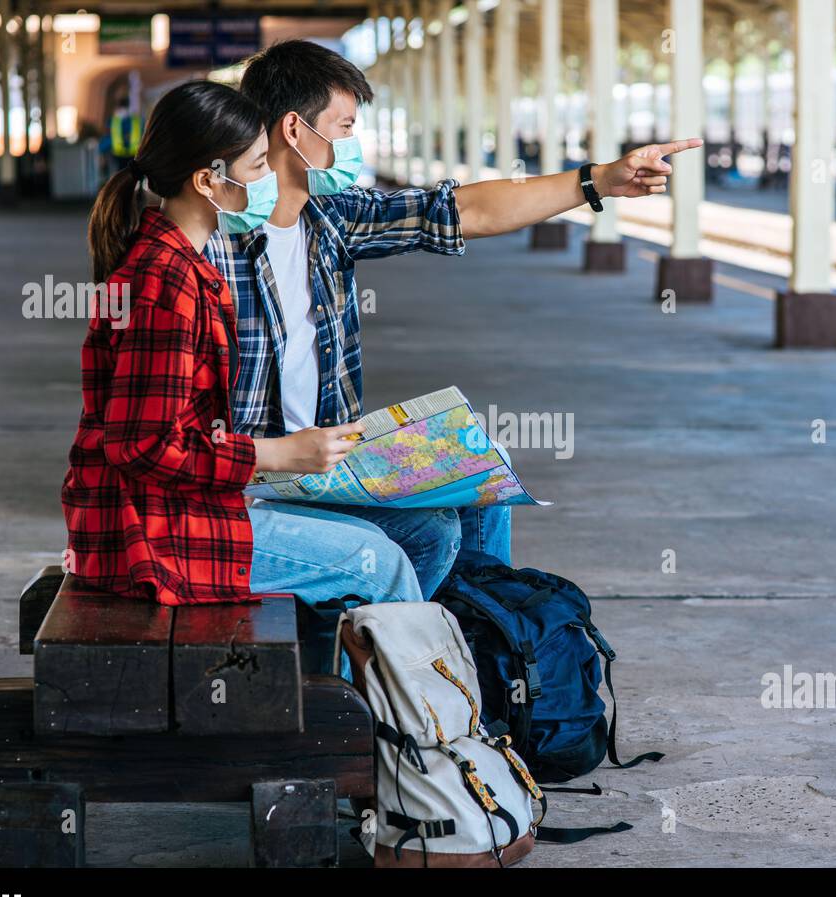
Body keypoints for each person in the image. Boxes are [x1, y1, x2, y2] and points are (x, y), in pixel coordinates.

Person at [206, 40, 701, 597]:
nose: (352, 144)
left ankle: (485, 645)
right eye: (344, 127)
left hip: (323, 463)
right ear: (295, 131)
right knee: (430, 534)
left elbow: (463, 210)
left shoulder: (329, 219)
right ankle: (398, 666)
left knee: (479, 484)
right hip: (254, 475)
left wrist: (597, 181)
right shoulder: (213, 247)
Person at [64, 80, 425, 617]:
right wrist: (277, 454)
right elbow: (142, 447)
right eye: (259, 167)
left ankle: (342, 689)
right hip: (159, 533)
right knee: (381, 561)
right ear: (209, 181)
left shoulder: (184, 262)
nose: (269, 182)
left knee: (409, 534)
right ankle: (402, 700)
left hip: (182, 508)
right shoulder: (167, 281)